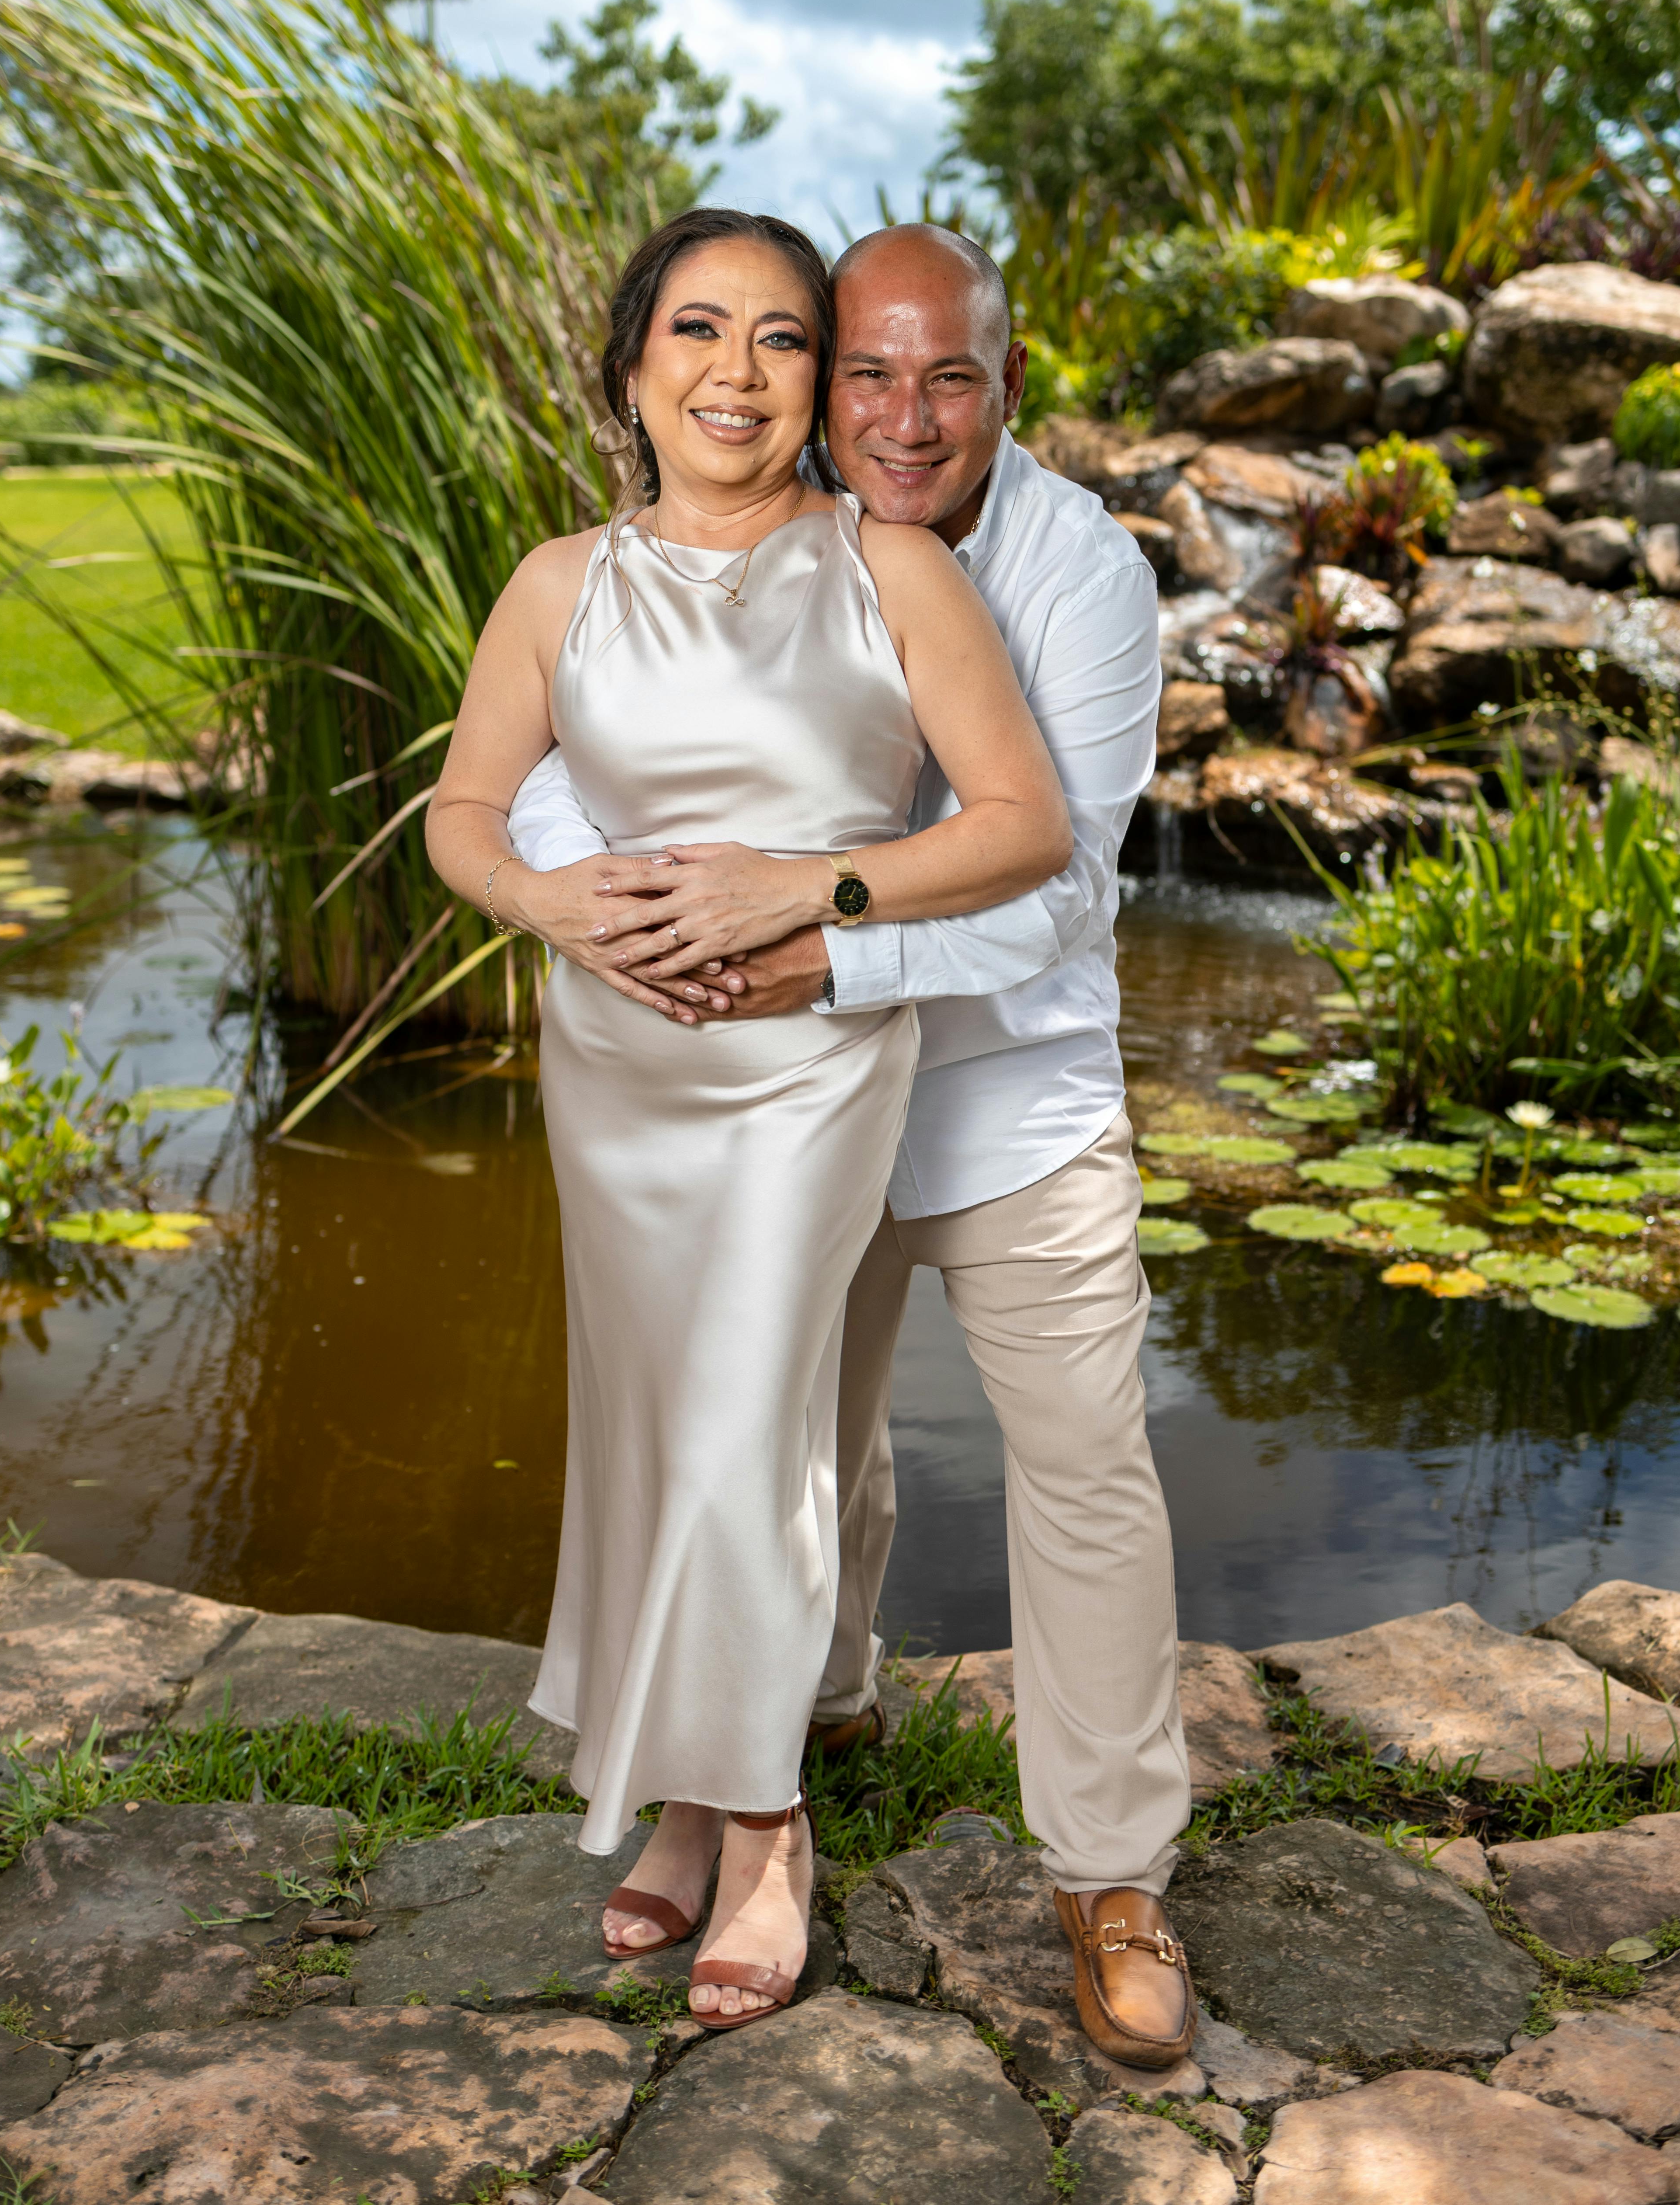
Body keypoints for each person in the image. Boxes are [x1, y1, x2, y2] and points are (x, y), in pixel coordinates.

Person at [508, 222, 1195, 2069]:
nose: (898, 414)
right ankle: (789, 1730)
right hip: (770, 1094)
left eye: (942, 376)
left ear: (1007, 382)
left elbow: (1049, 899)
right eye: (863, 370)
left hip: (1005, 1092)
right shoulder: (762, 527)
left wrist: (790, 937)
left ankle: (1114, 1880)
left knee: (1077, 1462)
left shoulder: (1078, 575)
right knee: (791, 1441)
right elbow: (593, 751)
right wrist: (618, 905)